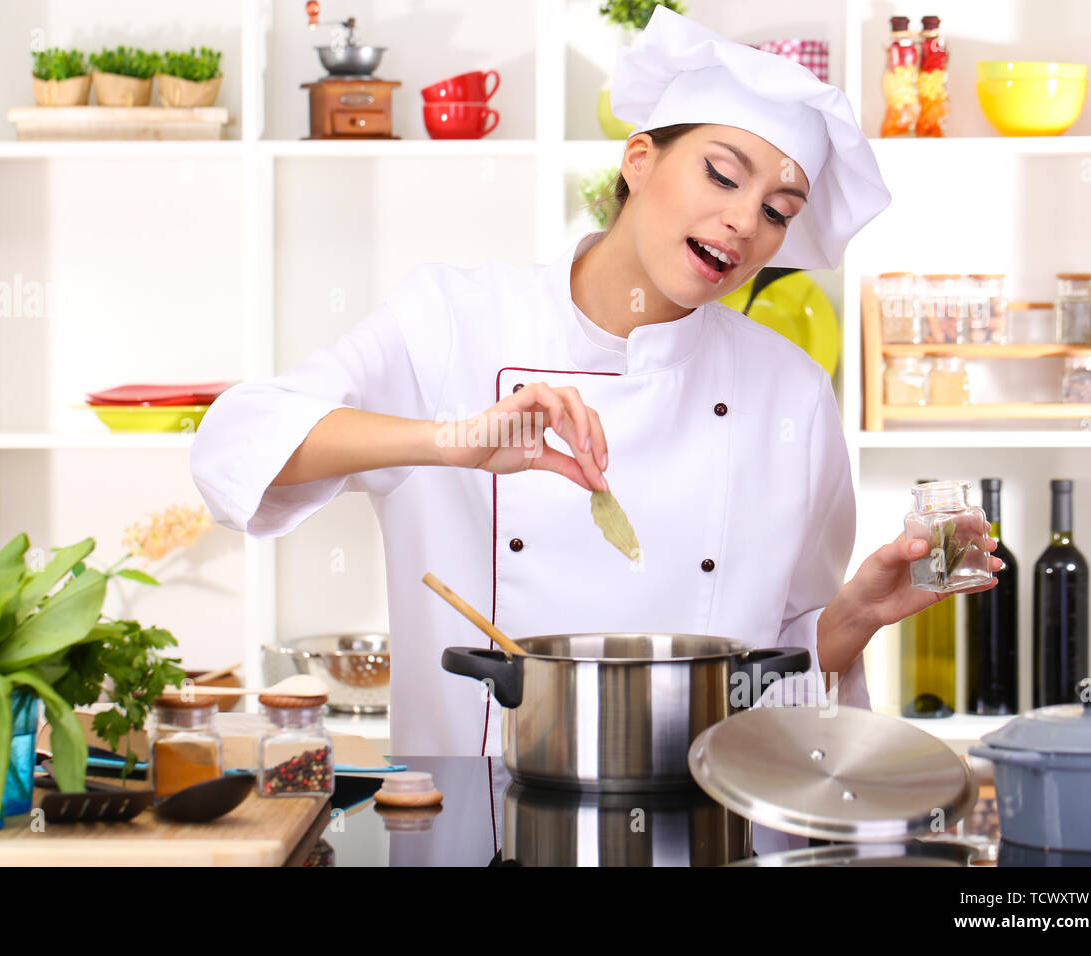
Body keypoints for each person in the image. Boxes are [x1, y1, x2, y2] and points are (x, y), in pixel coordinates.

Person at [191, 8, 1001, 757]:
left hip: (705, 817)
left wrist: (853, 617)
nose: (746, 222)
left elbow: (777, 675)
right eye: (723, 175)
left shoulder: (790, 391)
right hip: (482, 818)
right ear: (639, 159)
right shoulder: (452, 320)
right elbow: (235, 446)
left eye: (779, 208)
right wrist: (449, 442)